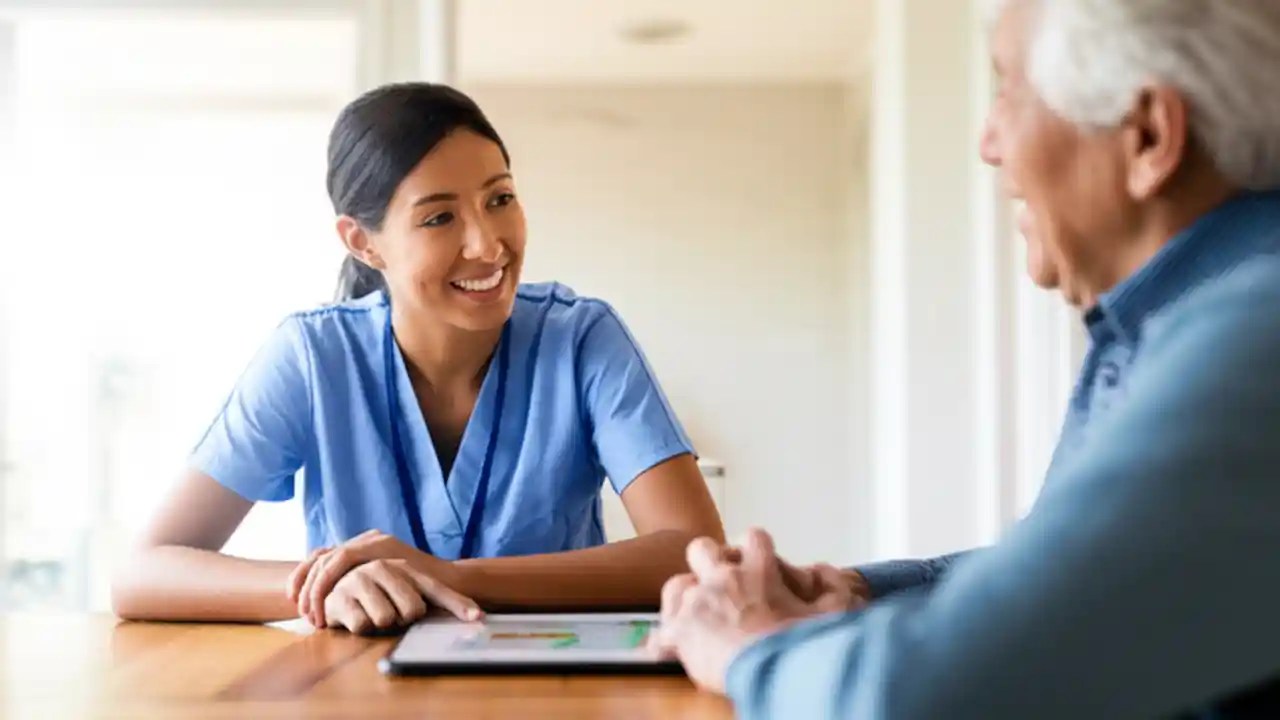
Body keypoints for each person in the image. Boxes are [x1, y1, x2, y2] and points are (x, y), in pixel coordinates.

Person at [653, 0, 1280, 717]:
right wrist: (859, 594)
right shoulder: (1186, 324)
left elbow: (919, 701)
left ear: (1146, 135)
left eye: (1008, 90)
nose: (988, 143)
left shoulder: (1255, 342)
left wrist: (749, 646)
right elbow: (1076, 585)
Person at [111, 83, 724, 634]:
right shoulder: (312, 357)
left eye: (499, 199)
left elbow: (695, 551)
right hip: (360, 694)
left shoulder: (583, 338)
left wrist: (446, 577)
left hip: (556, 690)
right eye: (438, 217)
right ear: (363, 242)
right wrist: (328, 581)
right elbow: (142, 575)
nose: (487, 245)